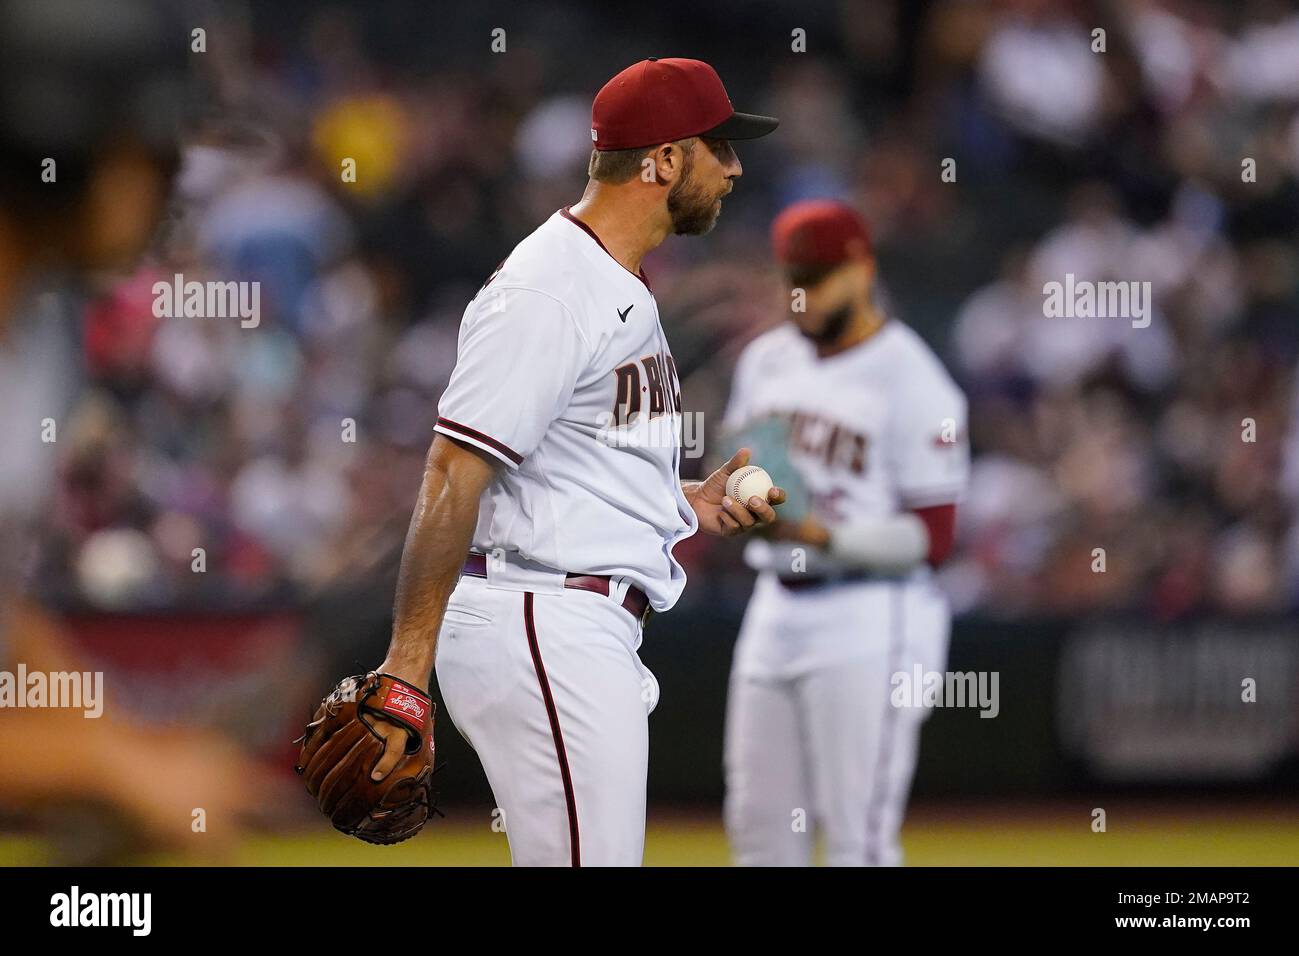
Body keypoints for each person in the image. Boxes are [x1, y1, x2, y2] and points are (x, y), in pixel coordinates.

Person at [363, 58, 782, 866]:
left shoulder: (609, 278)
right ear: (661, 161)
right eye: (716, 147)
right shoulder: (550, 288)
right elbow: (454, 471)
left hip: (569, 618)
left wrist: (689, 496)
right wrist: (403, 671)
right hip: (542, 615)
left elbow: (578, 462)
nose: (733, 168)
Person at [0, 0, 269, 861]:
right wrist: (101, 766)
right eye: (149, 151)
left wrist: (117, 737)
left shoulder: (36, 335)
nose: (167, 180)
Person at [722, 200, 970, 866]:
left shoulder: (915, 379)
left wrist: (813, 532)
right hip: (775, 605)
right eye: (793, 275)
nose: (802, 292)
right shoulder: (766, 360)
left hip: (873, 614)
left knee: (857, 839)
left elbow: (933, 539)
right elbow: (744, 465)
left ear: (861, 268)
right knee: (758, 831)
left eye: (819, 275)